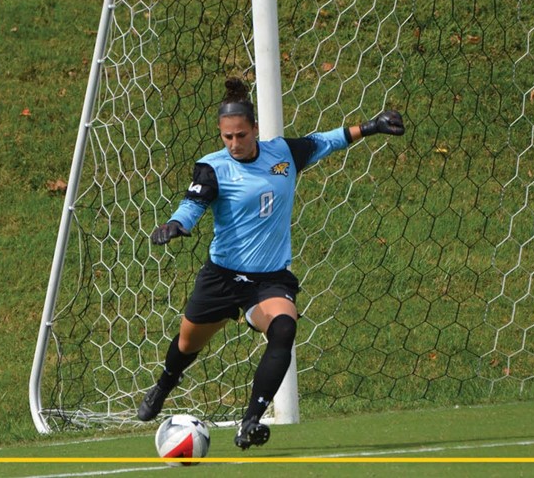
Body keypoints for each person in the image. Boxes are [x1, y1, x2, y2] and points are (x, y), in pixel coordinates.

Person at [140, 77, 404, 450]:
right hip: (222, 278)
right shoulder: (212, 168)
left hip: (269, 281)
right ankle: (162, 387)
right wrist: (175, 224)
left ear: (255, 130)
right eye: (227, 137)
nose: (234, 143)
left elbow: (323, 142)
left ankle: (250, 422)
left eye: (241, 135)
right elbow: (194, 204)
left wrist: (371, 127)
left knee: (284, 327)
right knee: (186, 344)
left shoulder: (282, 154)